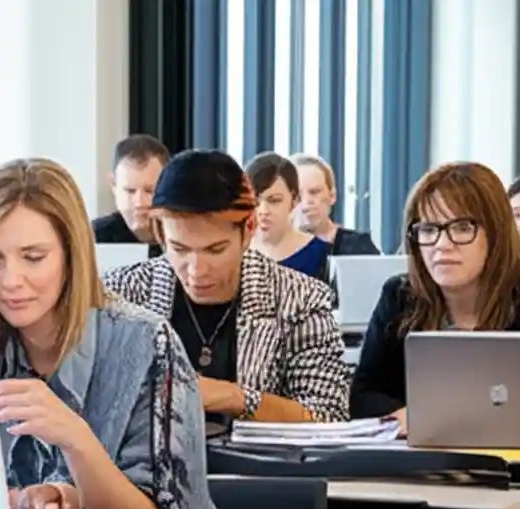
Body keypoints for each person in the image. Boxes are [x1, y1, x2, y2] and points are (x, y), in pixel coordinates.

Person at [0, 157, 225, 509]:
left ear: (71, 254)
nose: (9, 280)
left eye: (33, 258)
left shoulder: (146, 344)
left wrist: (77, 441)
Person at [350, 162, 520, 433]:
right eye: (428, 229)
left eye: (463, 227)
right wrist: (413, 417)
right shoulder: (401, 296)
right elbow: (361, 398)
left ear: (496, 234)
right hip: (427, 465)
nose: (442, 244)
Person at [103, 150, 350, 425]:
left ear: (249, 229)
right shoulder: (121, 295)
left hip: (258, 468)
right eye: (180, 249)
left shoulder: (300, 300)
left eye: (215, 250)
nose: (197, 270)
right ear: (160, 233)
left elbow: (328, 416)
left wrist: (234, 398)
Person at [246, 152, 331, 281]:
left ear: (294, 200)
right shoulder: (234, 255)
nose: (263, 211)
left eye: (274, 200)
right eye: (255, 202)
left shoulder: (323, 256)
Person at [92, 134, 170, 257]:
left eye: (150, 191)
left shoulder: (186, 237)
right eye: (130, 191)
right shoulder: (92, 238)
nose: (140, 202)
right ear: (113, 185)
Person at [289, 153, 380, 256]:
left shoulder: (359, 248)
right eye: (296, 195)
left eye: (314, 192)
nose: (306, 203)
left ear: (332, 196)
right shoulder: (271, 251)